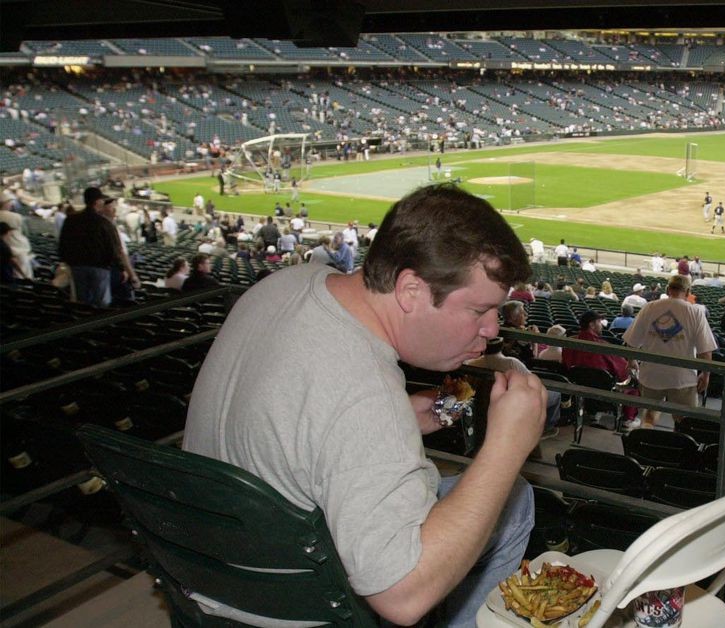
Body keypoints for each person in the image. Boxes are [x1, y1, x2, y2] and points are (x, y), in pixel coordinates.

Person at [183, 184, 544, 627]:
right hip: (291, 607)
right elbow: (402, 597)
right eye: (478, 311)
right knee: (513, 496)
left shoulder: (287, 283)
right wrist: (506, 448)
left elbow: (307, 415)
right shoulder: (365, 397)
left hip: (215, 565)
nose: (492, 330)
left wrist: (402, 422)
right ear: (410, 288)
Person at [623, 274, 716, 430]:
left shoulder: (650, 307)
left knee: (649, 416)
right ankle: (677, 450)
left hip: (651, 374)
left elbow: (631, 342)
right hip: (682, 379)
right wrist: (705, 375)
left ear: (667, 289)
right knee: (683, 422)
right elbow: (705, 351)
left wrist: (631, 361)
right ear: (688, 292)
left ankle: (645, 445)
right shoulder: (695, 312)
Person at [58, 187, 141, 307]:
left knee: (82, 302)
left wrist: (67, 261)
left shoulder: (71, 219)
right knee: (101, 302)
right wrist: (121, 268)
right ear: (97, 202)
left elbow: (63, 243)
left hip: (77, 266)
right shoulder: (104, 223)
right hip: (99, 268)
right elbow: (115, 249)